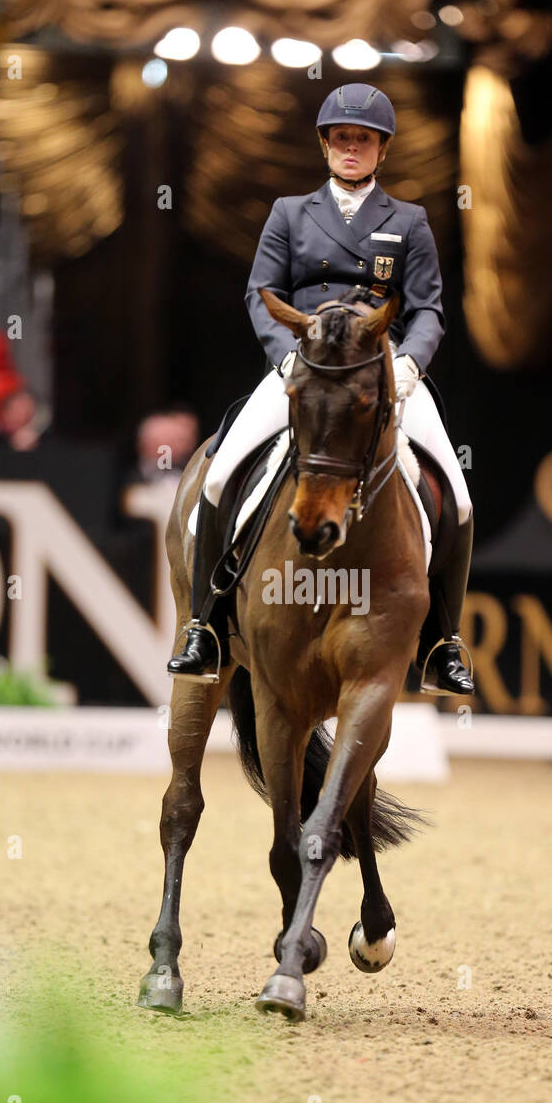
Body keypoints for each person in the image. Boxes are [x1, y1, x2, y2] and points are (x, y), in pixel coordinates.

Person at [168, 83, 474, 694]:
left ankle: (443, 641)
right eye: (342, 139)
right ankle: (204, 626)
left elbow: (430, 310)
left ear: (382, 150)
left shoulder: (408, 220)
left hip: (382, 378)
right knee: (224, 472)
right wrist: (287, 363)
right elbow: (262, 295)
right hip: (305, 373)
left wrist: (409, 365)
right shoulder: (289, 213)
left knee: (458, 497)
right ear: (326, 146)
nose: (351, 149)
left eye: (363, 140)